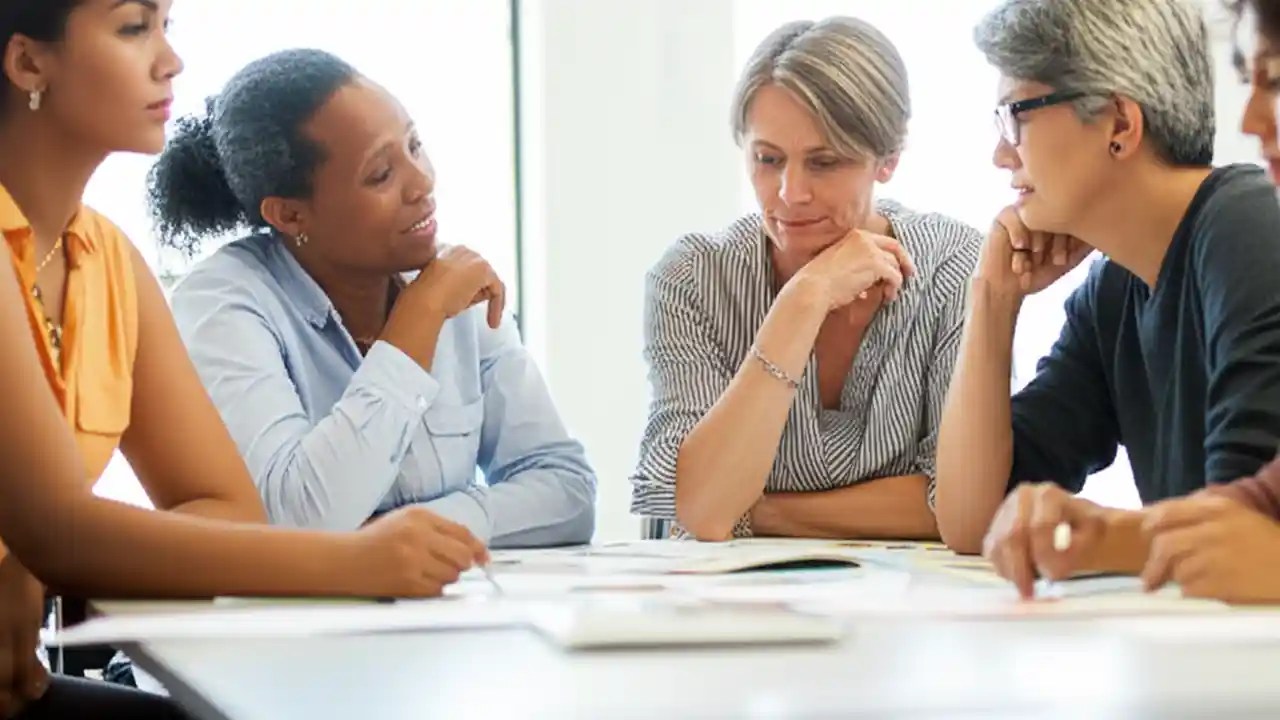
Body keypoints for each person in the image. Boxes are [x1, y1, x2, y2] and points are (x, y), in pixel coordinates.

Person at [0, 1, 486, 716]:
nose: (170, 60)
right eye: (135, 28)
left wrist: (51, 561)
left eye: (169, 26)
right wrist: (355, 559)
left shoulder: (106, 258)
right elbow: (60, 529)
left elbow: (231, 507)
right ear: (28, 63)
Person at [150, 49, 596, 547]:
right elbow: (298, 519)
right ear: (290, 215)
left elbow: (567, 491)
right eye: (381, 174)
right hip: (291, 622)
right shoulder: (223, 301)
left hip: (444, 611)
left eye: (415, 145)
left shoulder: (453, 284)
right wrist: (419, 317)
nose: (423, 182)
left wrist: (424, 528)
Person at [934, 0, 1280, 587]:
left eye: (1014, 116)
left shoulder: (1247, 228)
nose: (1000, 153)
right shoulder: (1114, 289)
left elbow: (1235, 533)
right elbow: (974, 523)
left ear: (1120, 125)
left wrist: (1106, 538)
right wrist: (992, 300)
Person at [629, 17, 982, 541]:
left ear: (887, 160)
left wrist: (762, 512)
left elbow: (957, 507)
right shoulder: (693, 278)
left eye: (824, 163)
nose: (790, 193)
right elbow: (704, 509)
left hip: (899, 610)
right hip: (726, 613)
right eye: (768, 160)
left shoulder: (954, 266)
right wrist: (804, 300)